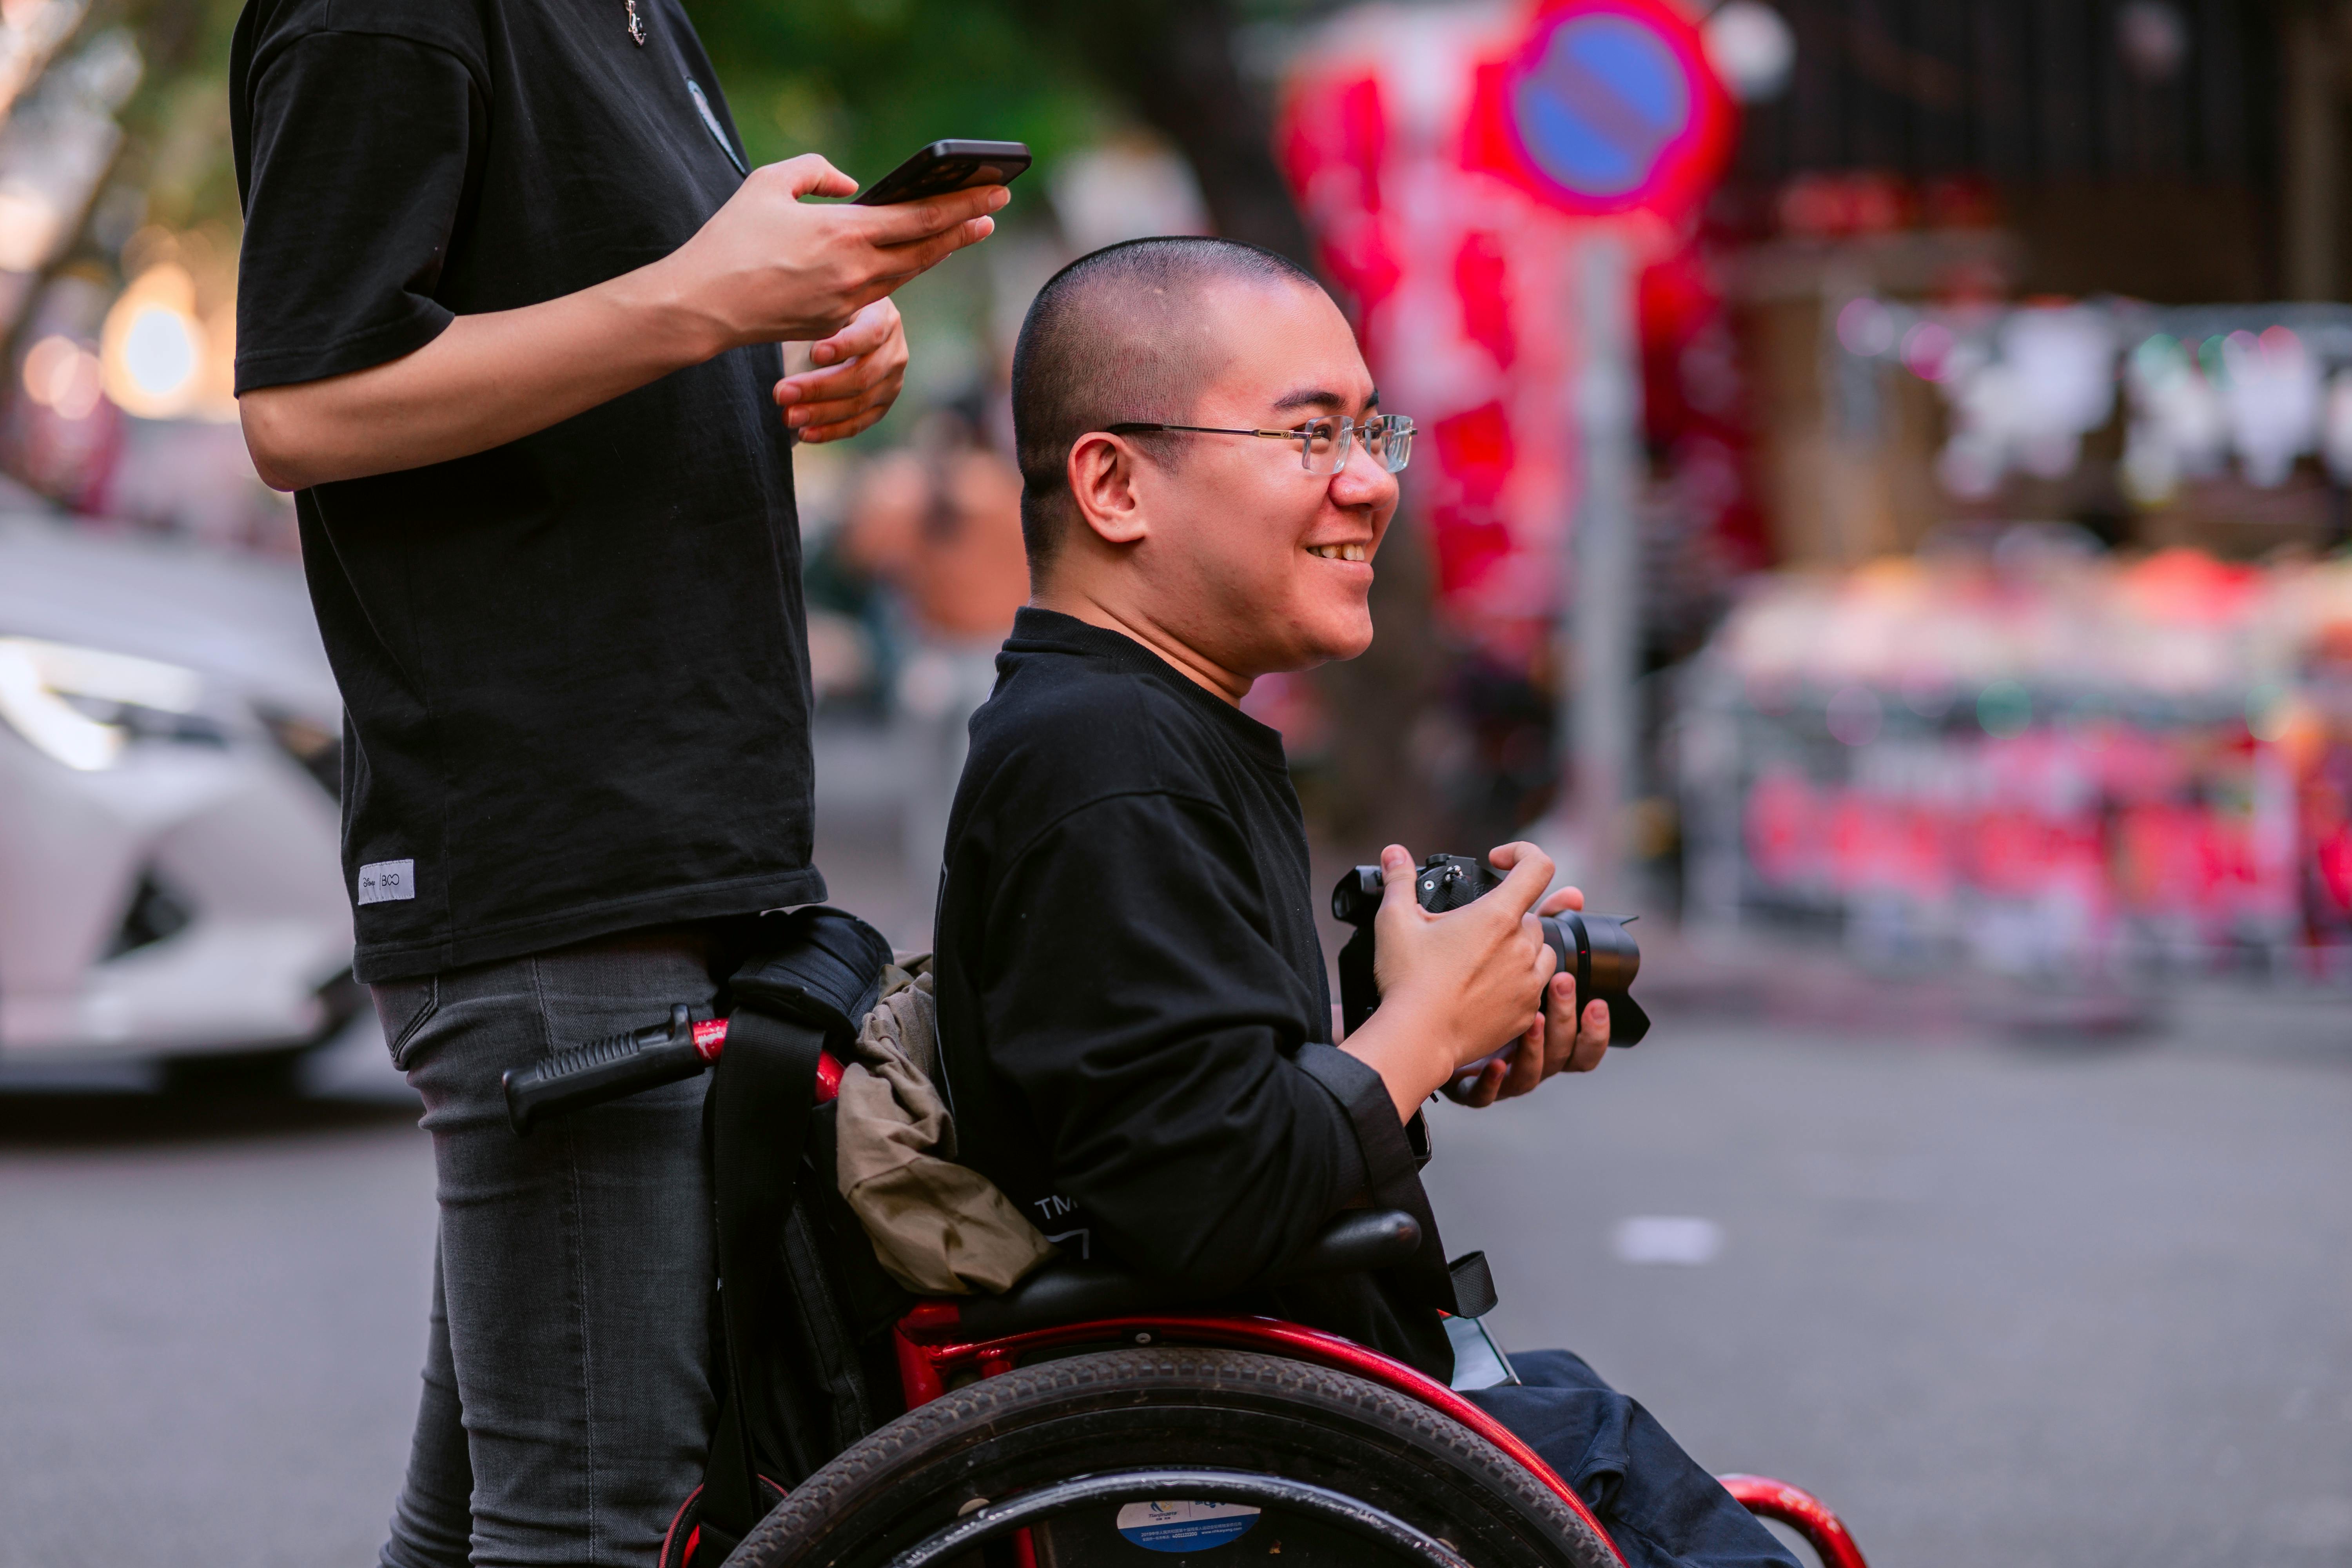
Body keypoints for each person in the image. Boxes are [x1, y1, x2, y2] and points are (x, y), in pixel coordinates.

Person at [227, 2, 1005, 1562]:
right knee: (600, 1527)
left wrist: (810, 331)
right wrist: (697, 302)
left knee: (492, 1527)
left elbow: (643, 319)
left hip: (669, 866)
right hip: (557, 876)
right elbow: (301, 406)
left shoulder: (634, 18)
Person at [930, 237, 1799, 1568]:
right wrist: (1423, 1035)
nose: (1373, 480)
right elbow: (1201, 1199)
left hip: (1322, 1407)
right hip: (1259, 1464)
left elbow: (1184, 1103)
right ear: (1115, 483)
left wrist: (1414, 1027)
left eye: (1374, 429)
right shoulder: (1106, 760)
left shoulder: (1148, 724)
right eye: (1311, 435)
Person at [838, 409, 1029, 887]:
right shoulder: (911, 502)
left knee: (977, 778)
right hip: (937, 652)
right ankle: (939, 893)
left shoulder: (996, 490)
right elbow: (860, 555)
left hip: (996, 652)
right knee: (928, 783)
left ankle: (981, 886)